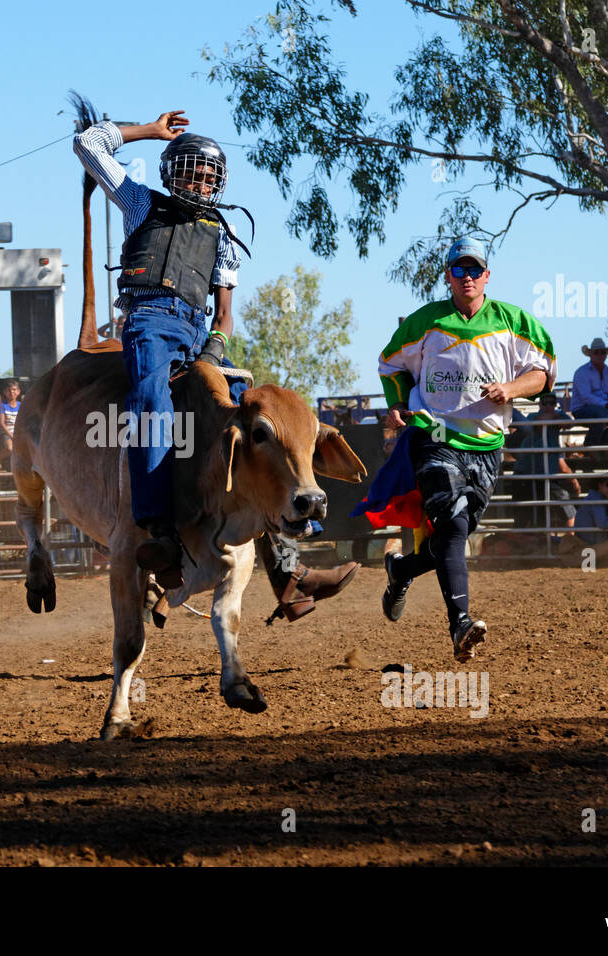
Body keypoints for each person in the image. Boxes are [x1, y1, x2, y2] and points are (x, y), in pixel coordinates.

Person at [75, 107, 357, 610]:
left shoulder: (222, 235)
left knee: (253, 422)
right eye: (191, 173)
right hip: (148, 325)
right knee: (151, 405)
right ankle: (158, 530)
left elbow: (224, 315)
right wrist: (149, 131)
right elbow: (88, 145)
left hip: (197, 336)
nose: (201, 184)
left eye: (209, 177)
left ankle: (290, 573)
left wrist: (213, 353)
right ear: (169, 172)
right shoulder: (141, 203)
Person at [379, 238, 555, 662]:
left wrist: (511, 388)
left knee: (450, 538)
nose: (468, 277)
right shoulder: (425, 322)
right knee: (454, 526)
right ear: (448, 276)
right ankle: (460, 623)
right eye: (459, 270)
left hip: (488, 445)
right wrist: (399, 406)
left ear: (487, 276)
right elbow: (390, 364)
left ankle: (402, 570)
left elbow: (543, 373)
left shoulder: (514, 322)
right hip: (434, 438)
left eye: (475, 269)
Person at [510, 392, 580, 537]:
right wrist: (548, 419)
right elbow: (533, 423)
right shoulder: (531, 418)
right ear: (539, 405)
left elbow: (570, 423)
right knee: (523, 515)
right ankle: (522, 552)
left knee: (543, 513)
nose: (548, 406)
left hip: (544, 475)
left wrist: (552, 418)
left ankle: (568, 544)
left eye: (551, 403)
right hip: (526, 474)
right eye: (545, 403)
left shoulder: (556, 422)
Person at [571, 337, 608, 455]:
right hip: (581, 410)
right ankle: (591, 446)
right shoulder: (581, 372)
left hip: (605, 408)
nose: (599, 355)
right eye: (596, 352)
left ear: (606, 355)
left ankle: (604, 443)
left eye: (602, 352)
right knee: (602, 414)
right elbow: (586, 397)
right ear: (590, 354)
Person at [557, 476, 608, 558]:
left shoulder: (597, 498)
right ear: (600, 485)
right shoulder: (596, 499)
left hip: (590, 541)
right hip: (591, 543)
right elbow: (603, 524)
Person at [0, 379, 21, 473]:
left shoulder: (21, 405)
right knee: (9, 448)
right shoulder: (2, 405)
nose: (12, 392)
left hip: (18, 432)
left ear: (18, 392)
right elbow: (1, 423)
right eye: (9, 390)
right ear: (5, 392)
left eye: (14, 389)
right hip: (5, 432)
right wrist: (12, 435)